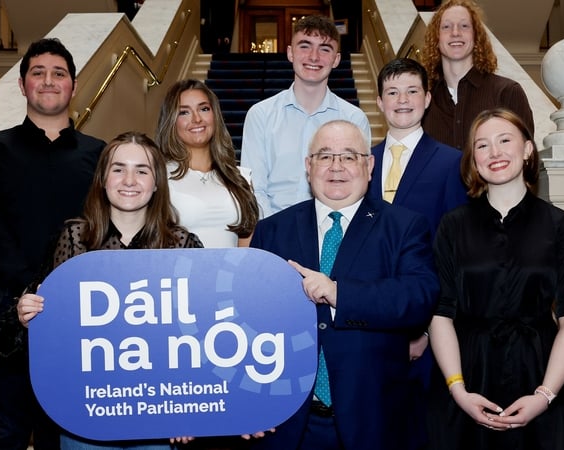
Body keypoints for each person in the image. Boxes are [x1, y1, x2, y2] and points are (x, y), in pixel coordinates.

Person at [248, 120, 439, 449]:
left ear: (369, 165)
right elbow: (249, 321)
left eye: (349, 156)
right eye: (324, 156)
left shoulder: (404, 226)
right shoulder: (272, 231)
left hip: (374, 423)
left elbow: (418, 299)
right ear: (308, 166)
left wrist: (339, 294)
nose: (336, 167)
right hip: (288, 426)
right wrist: (249, 404)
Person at [17, 132, 203, 450]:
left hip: (160, 414)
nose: (129, 180)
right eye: (118, 169)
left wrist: (187, 408)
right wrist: (29, 315)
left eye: (142, 170)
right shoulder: (73, 238)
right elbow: (56, 332)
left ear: (157, 182)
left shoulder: (183, 246)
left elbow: (200, 335)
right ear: (103, 179)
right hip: (87, 411)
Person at [0, 37, 105, 450]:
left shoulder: (100, 155)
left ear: (74, 86)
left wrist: (63, 291)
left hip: (77, 312)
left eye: (59, 73)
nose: (48, 80)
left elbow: (107, 231)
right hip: (1, 307)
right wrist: (32, 285)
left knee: (61, 436)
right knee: (4, 434)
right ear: (22, 84)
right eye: (37, 72)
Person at [427, 108, 564, 449]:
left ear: (528, 149)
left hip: (541, 373)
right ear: (473, 160)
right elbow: (440, 314)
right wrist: (458, 390)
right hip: (467, 375)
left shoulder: (561, 225)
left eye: (505, 140)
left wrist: (545, 395)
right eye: (482, 145)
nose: (495, 152)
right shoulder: (452, 226)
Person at [367, 57, 467, 450]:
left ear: (427, 98)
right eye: (392, 92)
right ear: (379, 101)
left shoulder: (451, 163)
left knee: (419, 434)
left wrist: (426, 329)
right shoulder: (362, 163)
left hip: (424, 329)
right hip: (367, 323)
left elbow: (453, 254)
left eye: (412, 91)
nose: (402, 100)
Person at [240, 15, 371, 217]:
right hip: (274, 226)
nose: (314, 57)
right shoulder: (261, 115)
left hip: (332, 228)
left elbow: (355, 188)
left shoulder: (354, 119)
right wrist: (273, 229)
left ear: (336, 59)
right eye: (305, 46)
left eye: (324, 49)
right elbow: (254, 189)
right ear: (290, 53)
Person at [156, 79, 259, 248]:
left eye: (204, 109)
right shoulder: (158, 177)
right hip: (179, 265)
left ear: (215, 115)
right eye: (184, 112)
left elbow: (246, 247)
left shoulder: (240, 178)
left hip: (233, 266)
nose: (197, 119)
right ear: (171, 121)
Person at [420, 0, 534, 151]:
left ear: (476, 36)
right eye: (446, 26)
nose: (455, 32)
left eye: (464, 26)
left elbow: (523, 155)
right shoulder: (422, 100)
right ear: (436, 38)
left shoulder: (507, 92)